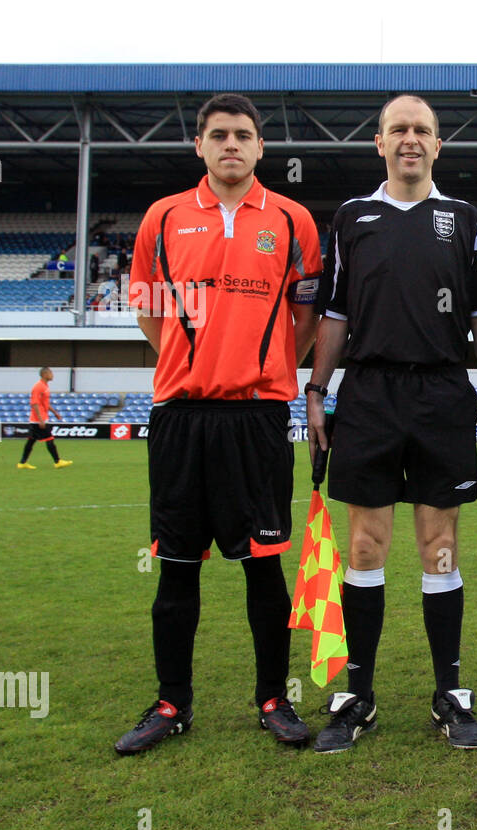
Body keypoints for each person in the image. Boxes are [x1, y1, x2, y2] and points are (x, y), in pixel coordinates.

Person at [114, 93, 323, 755]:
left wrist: (262, 363)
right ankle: (172, 704)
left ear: (260, 148)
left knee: (263, 568)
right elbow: (149, 311)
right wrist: (191, 358)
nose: (231, 145)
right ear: (199, 146)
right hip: (180, 415)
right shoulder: (162, 218)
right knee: (178, 568)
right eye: (218, 135)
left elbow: (308, 316)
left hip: (258, 417)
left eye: (242, 135)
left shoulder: (292, 221)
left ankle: (273, 699)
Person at [307, 94, 477, 754]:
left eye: (422, 130)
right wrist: (317, 388)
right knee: (365, 545)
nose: (410, 140)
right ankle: (357, 695)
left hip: (441, 392)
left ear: (437, 145)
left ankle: (448, 693)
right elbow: (334, 313)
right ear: (380, 143)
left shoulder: (463, 218)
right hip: (368, 392)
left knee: (438, 544)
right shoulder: (351, 217)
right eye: (399, 129)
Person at [17, 366, 71, 469]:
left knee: (31, 441)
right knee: (49, 439)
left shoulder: (45, 386)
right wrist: (41, 420)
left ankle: (22, 463)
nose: (52, 375)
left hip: (38, 419)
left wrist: (55, 412)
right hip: (38, 420)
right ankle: (57, 461)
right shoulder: (38, 387)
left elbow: (44, 403)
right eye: (51, 373)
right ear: (45, 374)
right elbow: (34, 404)